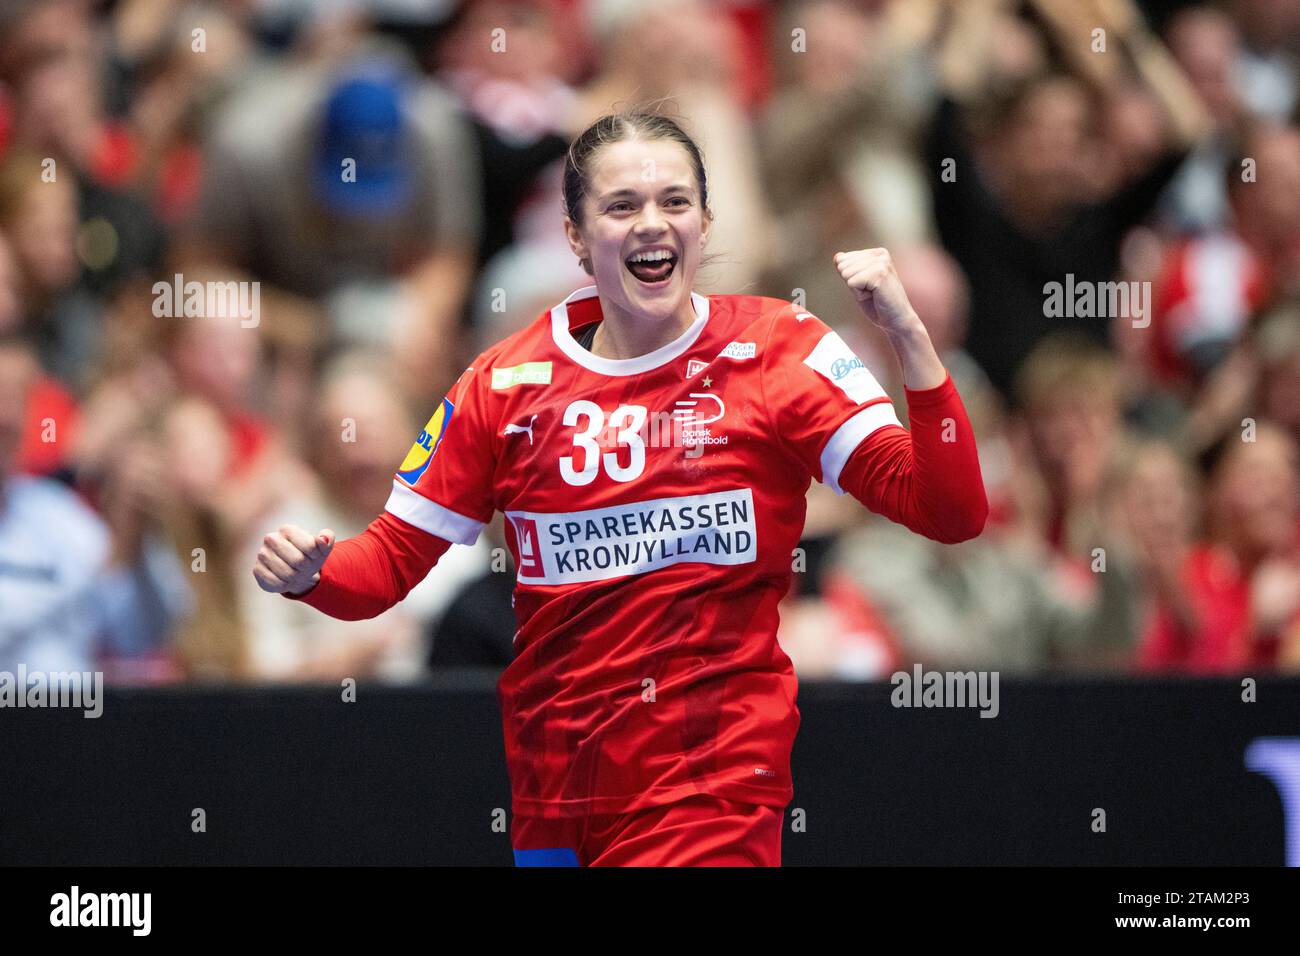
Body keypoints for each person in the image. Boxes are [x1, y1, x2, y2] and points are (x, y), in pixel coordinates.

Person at [252, 112, 988, 867]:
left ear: (704, 223)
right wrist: (314, 573)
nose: (652, 223)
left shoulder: (779, 352)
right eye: (622, 205)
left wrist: (909, 338)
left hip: (709, 790)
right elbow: (384, 567)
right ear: (576, 236)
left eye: (675, 201)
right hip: (554, 798)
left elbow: (950, 510)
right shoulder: (503, 385)